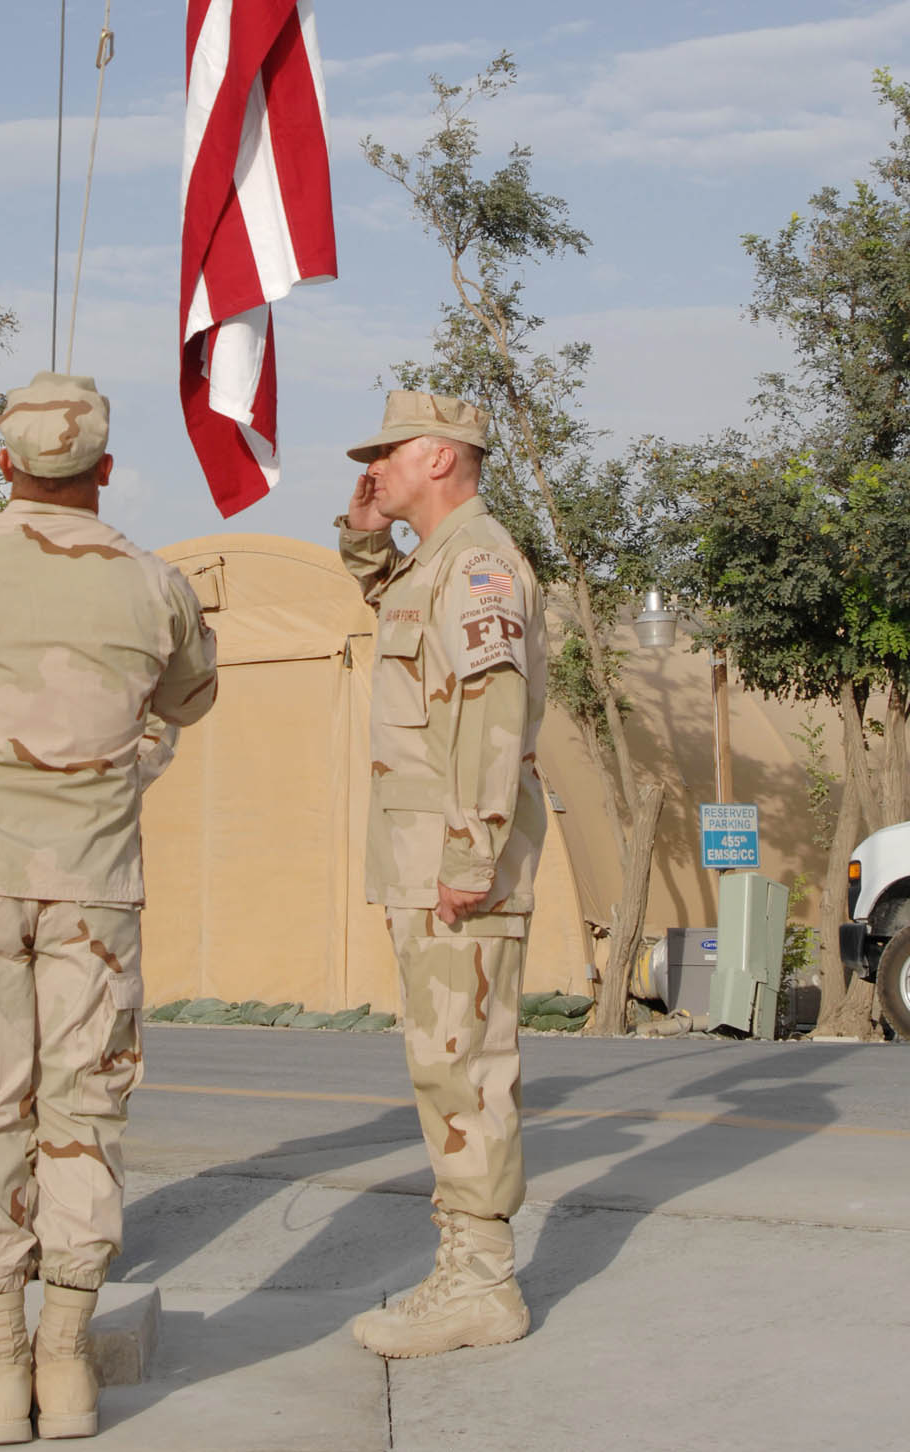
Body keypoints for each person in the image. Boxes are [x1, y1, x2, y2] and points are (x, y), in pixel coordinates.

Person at [0, 371, 218, 1446]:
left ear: (5, 464)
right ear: (106, 468)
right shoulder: (151, 583)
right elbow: (191, 697)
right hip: (93, 888)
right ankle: (66, 1361)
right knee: (84, 1112)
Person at [336, 391, 546, 1360]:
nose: (373, 467)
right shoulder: (434, 561)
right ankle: (465, 1268)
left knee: (466, 1066)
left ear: (440, 455)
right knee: (442, 1063)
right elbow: (386, 601)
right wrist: (364, 526)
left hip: (457, 865)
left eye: (388, 453)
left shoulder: (481, 563)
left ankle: (481, 1284)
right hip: (424, 863)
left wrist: (472, 855)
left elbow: (492, 718)